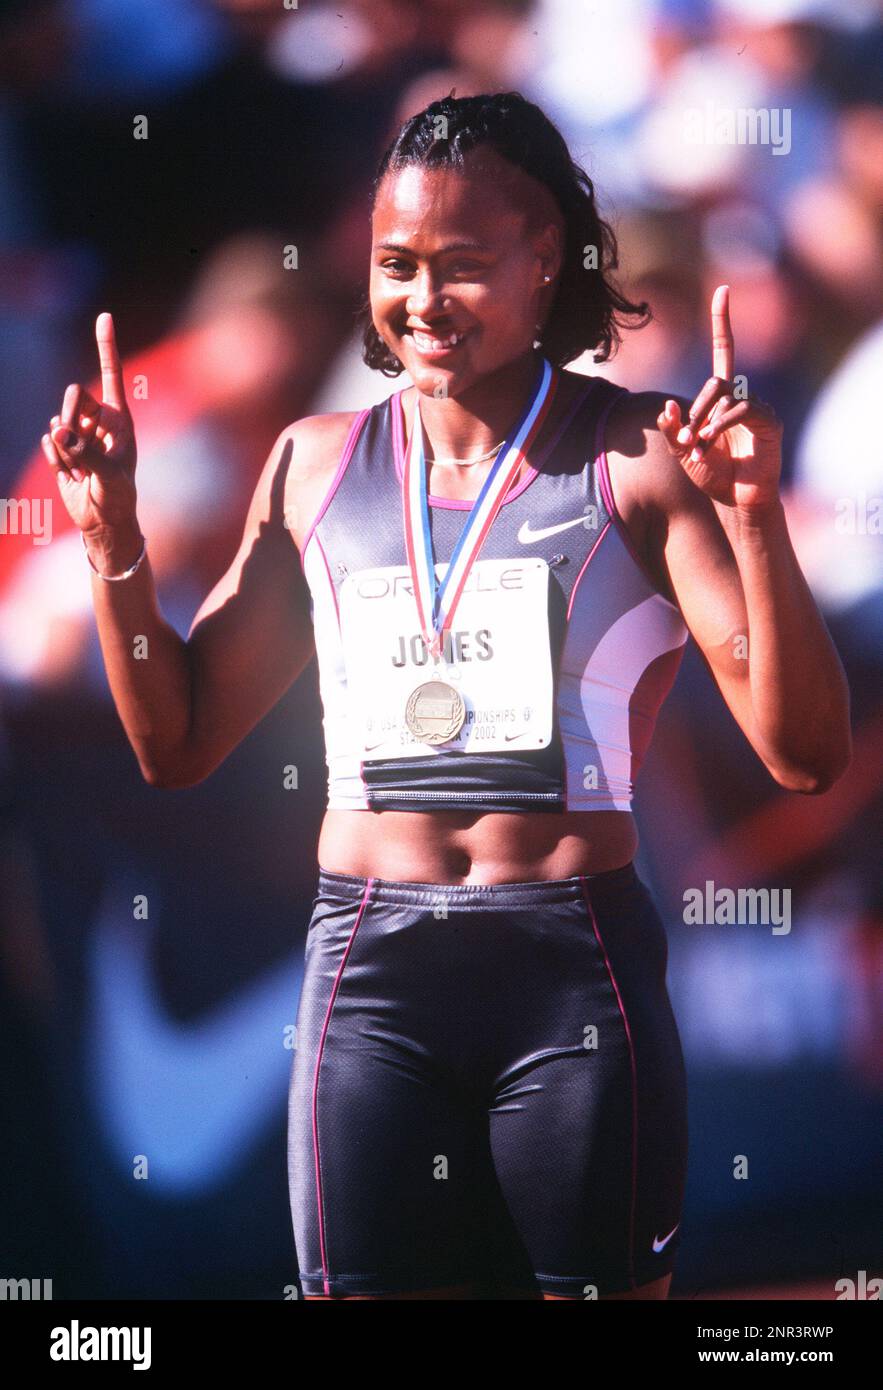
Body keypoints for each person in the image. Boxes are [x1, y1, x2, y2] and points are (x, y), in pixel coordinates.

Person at [42, 92, 851, 1302]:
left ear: (545, 264)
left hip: (569, 967)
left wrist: (752, 521)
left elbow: (804, 752)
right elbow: (178, 739)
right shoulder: (312, 465)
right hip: (369, 968)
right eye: (396, 264)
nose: (421, 300)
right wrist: (114, 543)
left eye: (462, 266)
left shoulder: (637, 456)